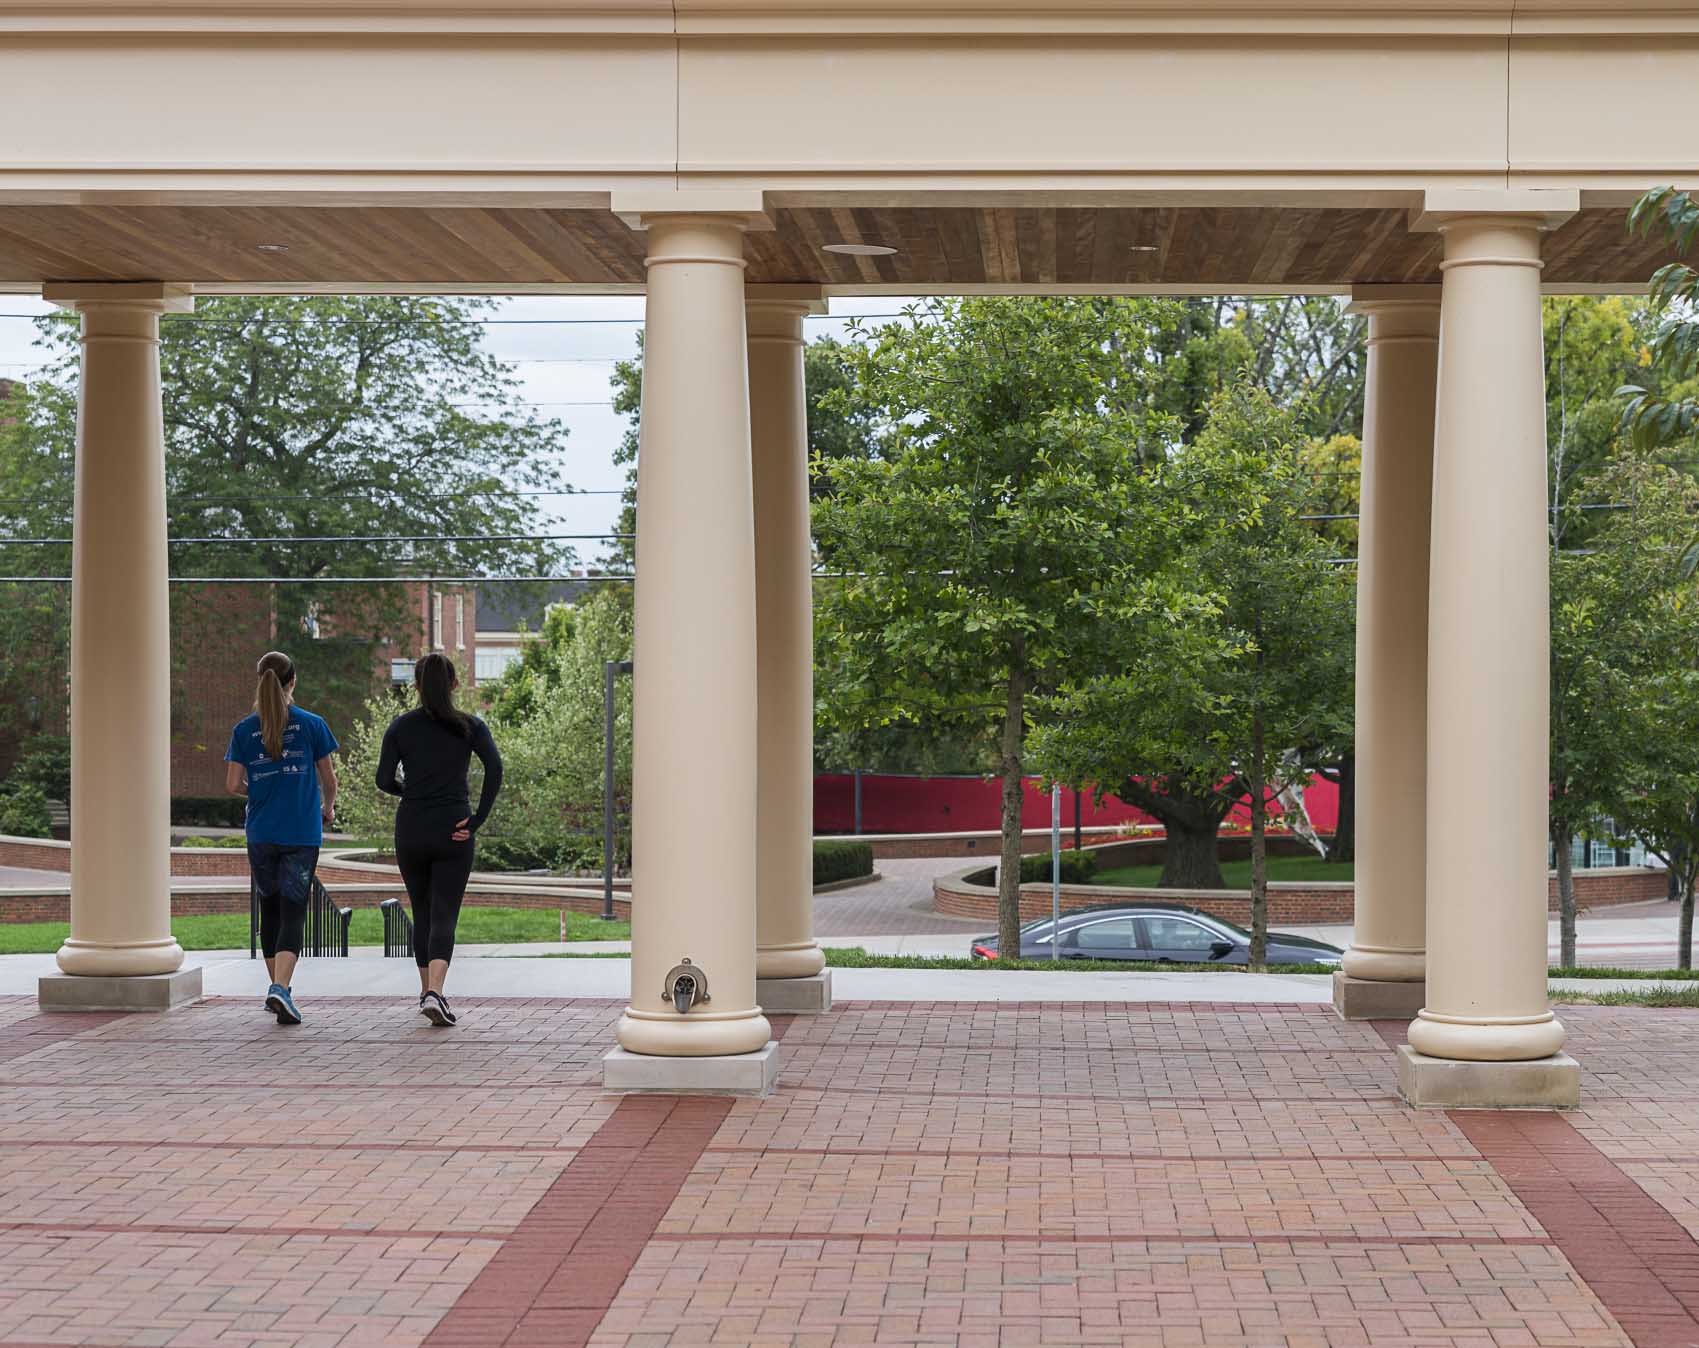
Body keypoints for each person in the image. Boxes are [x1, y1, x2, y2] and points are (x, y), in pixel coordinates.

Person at [376, 652, 503, 1026]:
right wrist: (477, 819)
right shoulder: (470, 726)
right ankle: (435, 991)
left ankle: (427, 993)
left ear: (416, 685)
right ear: (454, 684)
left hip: (412, 827)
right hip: (454, 827)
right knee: (445, 912)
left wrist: (410, 792)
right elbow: (495, 768)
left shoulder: (400, 727)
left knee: (422, 911)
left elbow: (383, 780)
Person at [225, 651, 339, 1026]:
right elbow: (330, 780)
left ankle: (277, 987)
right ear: (293, 681)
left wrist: (259, 791)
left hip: (261, 833)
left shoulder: (243, 730)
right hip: (301, 832)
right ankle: (281, 989)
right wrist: (327, 808)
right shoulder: (312, 725)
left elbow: (232, 784)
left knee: (270, 909)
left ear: (260, 680)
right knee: (293, 911)